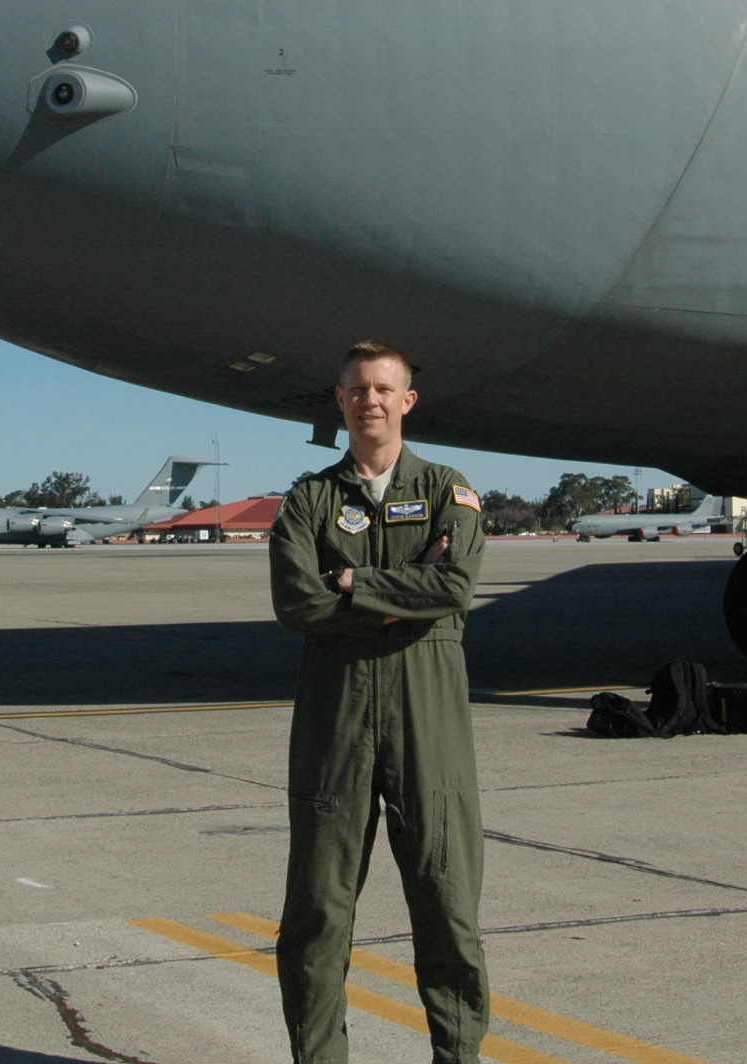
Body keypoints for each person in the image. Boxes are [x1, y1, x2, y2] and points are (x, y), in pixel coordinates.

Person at [268, 340, 489, 1064]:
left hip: (430, 725)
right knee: (318, 912)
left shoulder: (450, 490)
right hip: (335, 725)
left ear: (407, 401)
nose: (371, 400)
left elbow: (453, 587)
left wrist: (352, 584)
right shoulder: (310, 500)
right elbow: (297, 601)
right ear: (340, 400)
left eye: (384, 389)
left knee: (447, 905)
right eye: (358, 389)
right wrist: (400, 595)